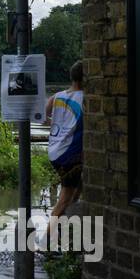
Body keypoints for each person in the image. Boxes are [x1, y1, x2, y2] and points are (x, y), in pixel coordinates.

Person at [46, 60, 84, 218]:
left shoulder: (57, 96)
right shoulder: (84, 97)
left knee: (78, 186)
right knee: (65, 197)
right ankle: (48, 237)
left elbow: (42, 115)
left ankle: (66, 222)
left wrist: (59, 126)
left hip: (54, 151)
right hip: (68, 155)